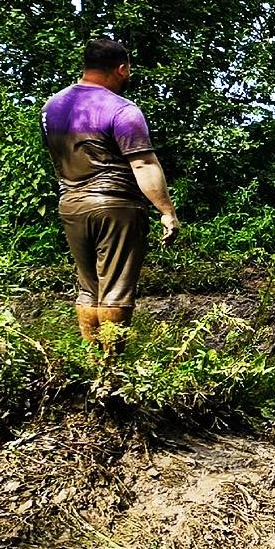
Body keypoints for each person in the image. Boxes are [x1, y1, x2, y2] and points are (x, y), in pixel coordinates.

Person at [41, 38, 180, 341]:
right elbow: (143, 164)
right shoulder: (122, 110)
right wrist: (167, 211)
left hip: (71, 205)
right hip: (116, 207)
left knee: (88, 289)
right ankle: (111, 369)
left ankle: (92, 363)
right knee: (115, 289)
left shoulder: (52, 107)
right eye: (128, 70)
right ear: (121, 68)